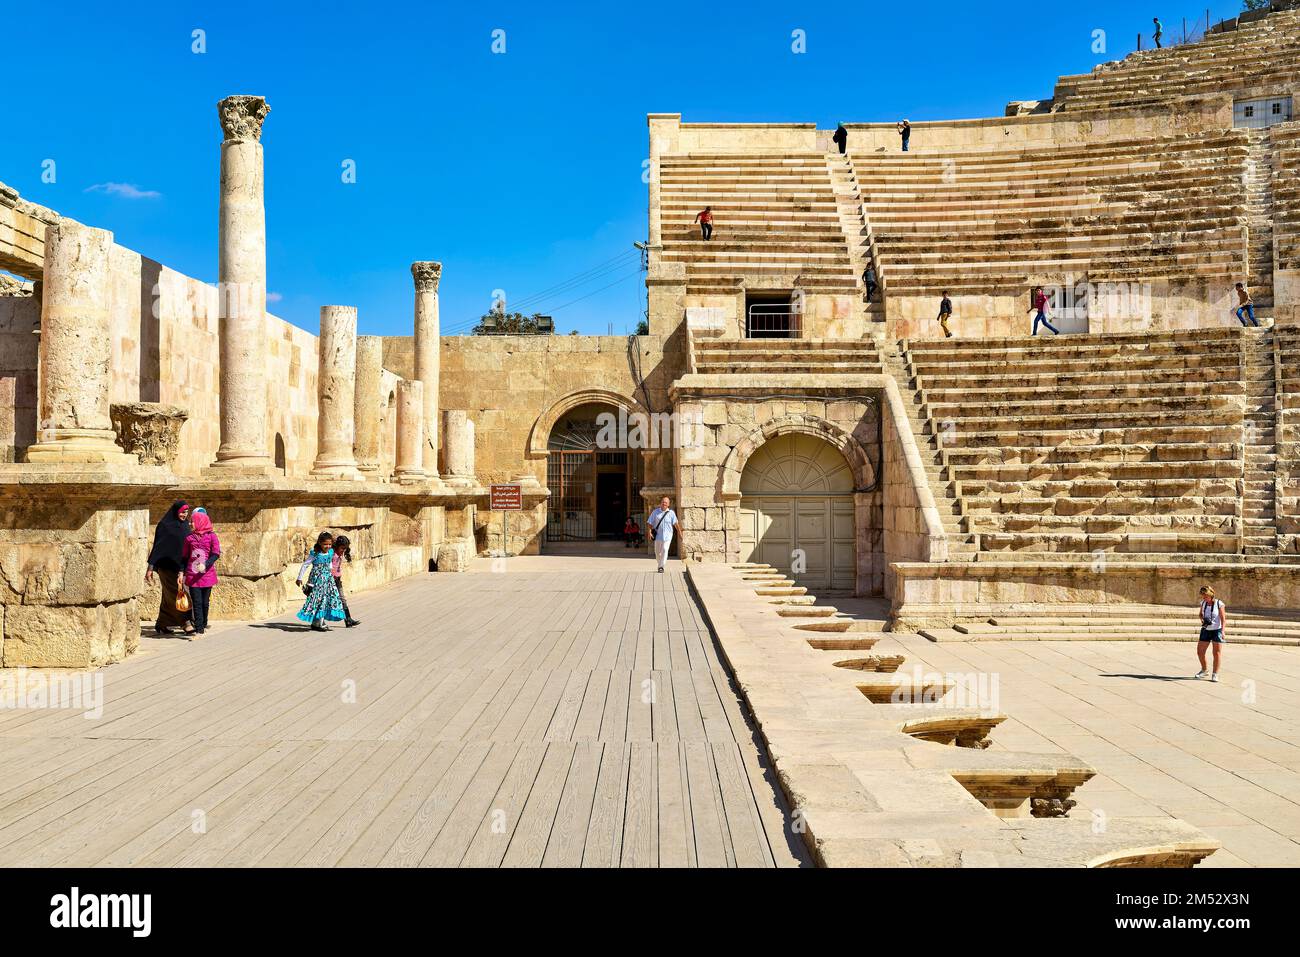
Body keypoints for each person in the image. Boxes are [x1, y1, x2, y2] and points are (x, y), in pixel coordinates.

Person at [145, 501, 195, 636]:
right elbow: (157, 547)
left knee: (168, 596)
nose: (185, 515)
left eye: (186, 512)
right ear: (175, 511)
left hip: (181, 566)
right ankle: (186, 623)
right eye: (182, 512)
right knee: (177, 593)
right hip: (166, 567)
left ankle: (162, 623)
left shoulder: (185, 526)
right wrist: (150, 568)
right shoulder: (164, 526)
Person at [181, 509, 221, 636]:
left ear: (200, 522)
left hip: (207, 575)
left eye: (192, 521)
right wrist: (181, 572)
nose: (190, 524)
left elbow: (216, 554)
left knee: (205, 602)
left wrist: (206, 564)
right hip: (193, 575)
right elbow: (184, 557)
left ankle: (203, 622)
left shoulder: (212, 536)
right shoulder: (189, 538)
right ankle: (199, 628)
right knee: (196, 602)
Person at [295, 532, 347, 632]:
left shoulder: (331, 552)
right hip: (317, 580)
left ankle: (318, 622)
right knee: (318, 600)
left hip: (328, 580)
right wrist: (299, 578)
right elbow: (305, 565)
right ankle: (318, 623)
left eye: (329, 544)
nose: (327, 546)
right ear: (319, 543)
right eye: (325, 544)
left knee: (326, 599)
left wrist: (332, 575)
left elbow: (329, 564)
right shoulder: (315, 553)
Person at [1195, 585, 1226, 682]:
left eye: (1205, 596)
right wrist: (1203, 619)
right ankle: (1204, 670)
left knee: (1216, 653)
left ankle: (1215, 674)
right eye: (1203, 596)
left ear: (1211, 595)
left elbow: (1223, 619)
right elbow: (1200, 614)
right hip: (1206, 629)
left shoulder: (1219, 604)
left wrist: (1223, 631)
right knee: (1200, 652)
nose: (1204, 598)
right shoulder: (1203, 603)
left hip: (1217, 630)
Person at [331, 534, 361, 628]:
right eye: (342, 548)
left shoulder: (341, 553)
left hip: (338, 580)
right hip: (330, 580)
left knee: (342, 599)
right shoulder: (332, 553)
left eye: (345, 548)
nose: (343, 550)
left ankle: (348, 620)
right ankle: (317, 620)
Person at [647, 496, 679, 574]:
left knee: (665, 549)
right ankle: (659, 564)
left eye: (666, 502)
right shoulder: (655, 512)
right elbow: (650, 522)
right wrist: (649, 532)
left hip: (668, 535)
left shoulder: (671, 513)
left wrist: (680, 533)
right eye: (663, 502)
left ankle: (661, 566)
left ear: (668, 504)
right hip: (658, 535)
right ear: (661, 503)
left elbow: (676, 524)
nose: (664, 503)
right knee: (657, 552)